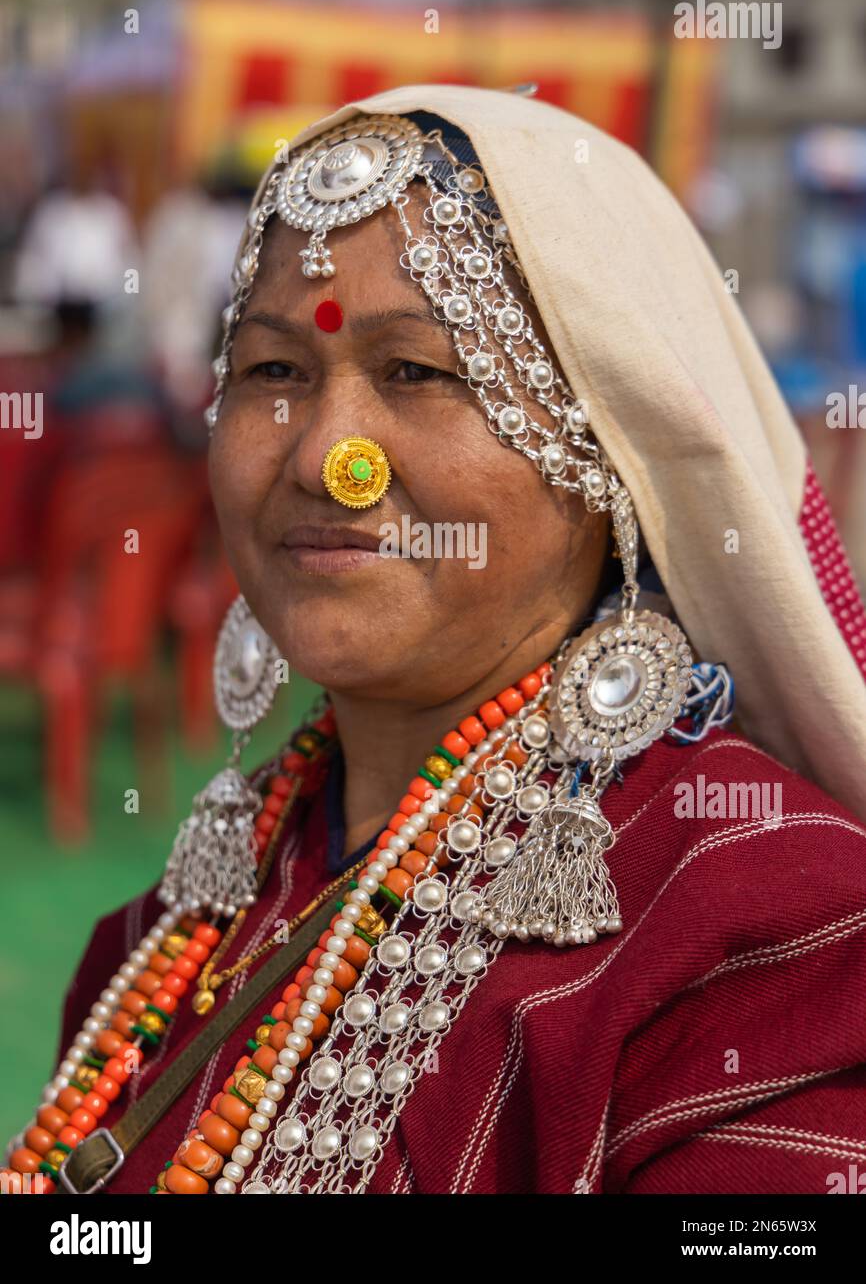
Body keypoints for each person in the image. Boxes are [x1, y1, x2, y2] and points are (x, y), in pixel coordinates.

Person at [5, 85, 866, 1197]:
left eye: (414, 372)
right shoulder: (177, 929)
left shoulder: (763, 929)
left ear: (605, 443)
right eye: (273, 370)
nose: (325, 457)